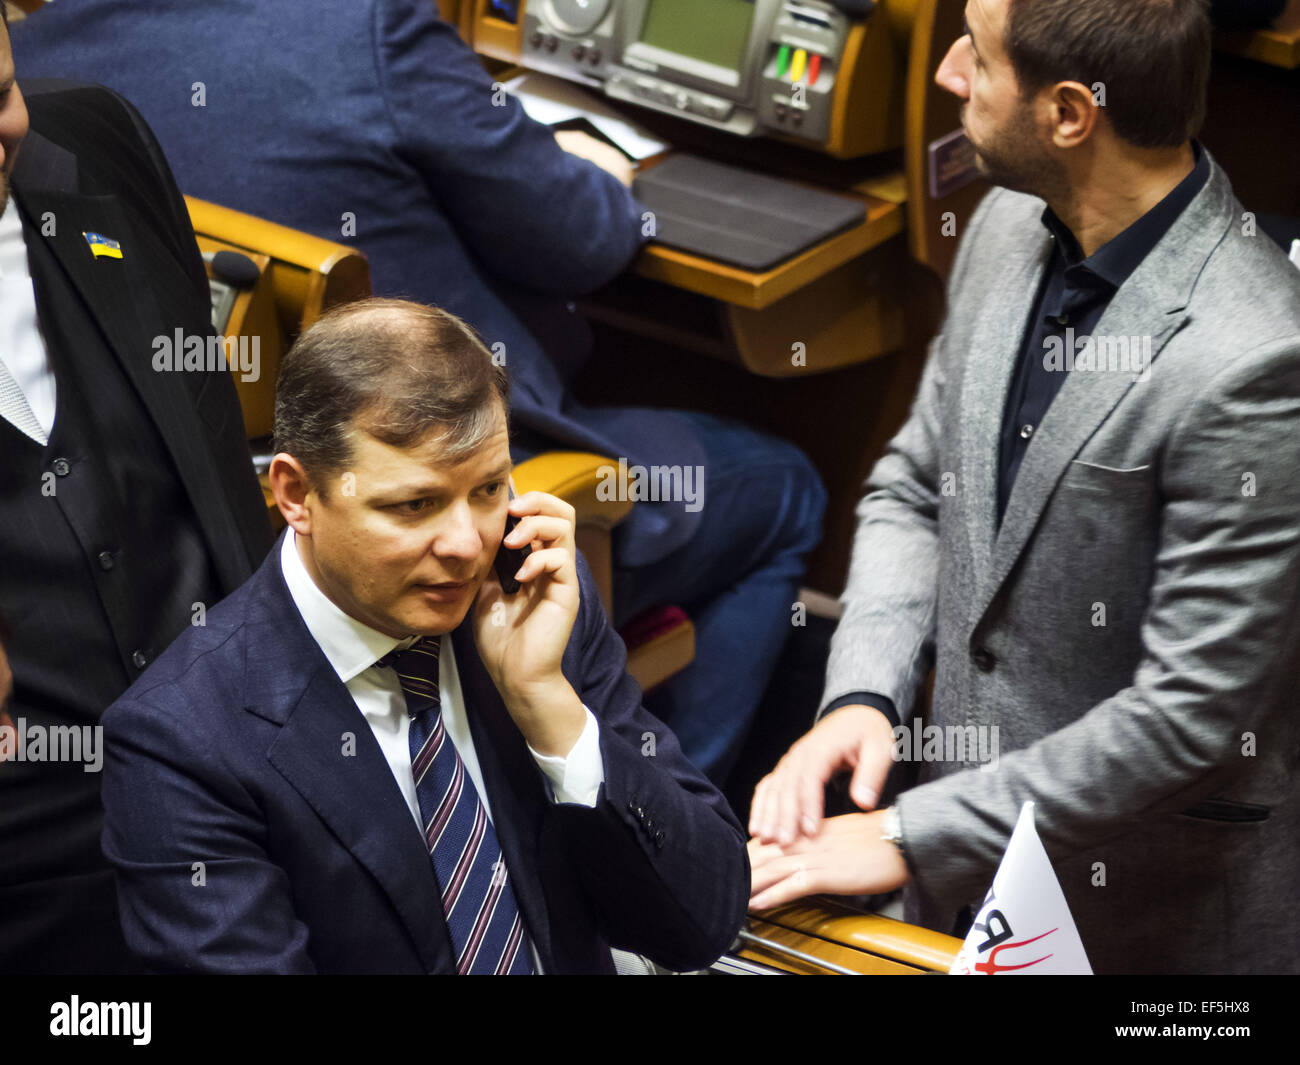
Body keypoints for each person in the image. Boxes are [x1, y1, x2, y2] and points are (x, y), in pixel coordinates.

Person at [12, 0, 827, 786]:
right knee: (787, 485)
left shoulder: (48, 57)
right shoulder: (369, 28)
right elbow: (583, 240)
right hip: (460, 507)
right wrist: (602, 173)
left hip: (284, 516)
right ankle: (674, 835)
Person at [747, 0, 1300, 974]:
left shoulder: (1255, 360)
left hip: (1147, 920)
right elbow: (917, 484)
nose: (947, 71)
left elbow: (1190, 717)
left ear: (1069, 114)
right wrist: (862, 697)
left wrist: (903, 833)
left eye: (980, 55)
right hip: (957, 882)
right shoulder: (1004, 225)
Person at [98, 298, 749, 974]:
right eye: (415, 505)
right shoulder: (180, 742)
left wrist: (548, 705)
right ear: (296, 493)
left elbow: (704, 921)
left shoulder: (530, 599)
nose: (468, 545)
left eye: (490, 489)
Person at [0, 9, 273, 973]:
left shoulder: (95, 142)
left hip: (249, 773)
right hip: (32, 864)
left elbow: (211, 461)